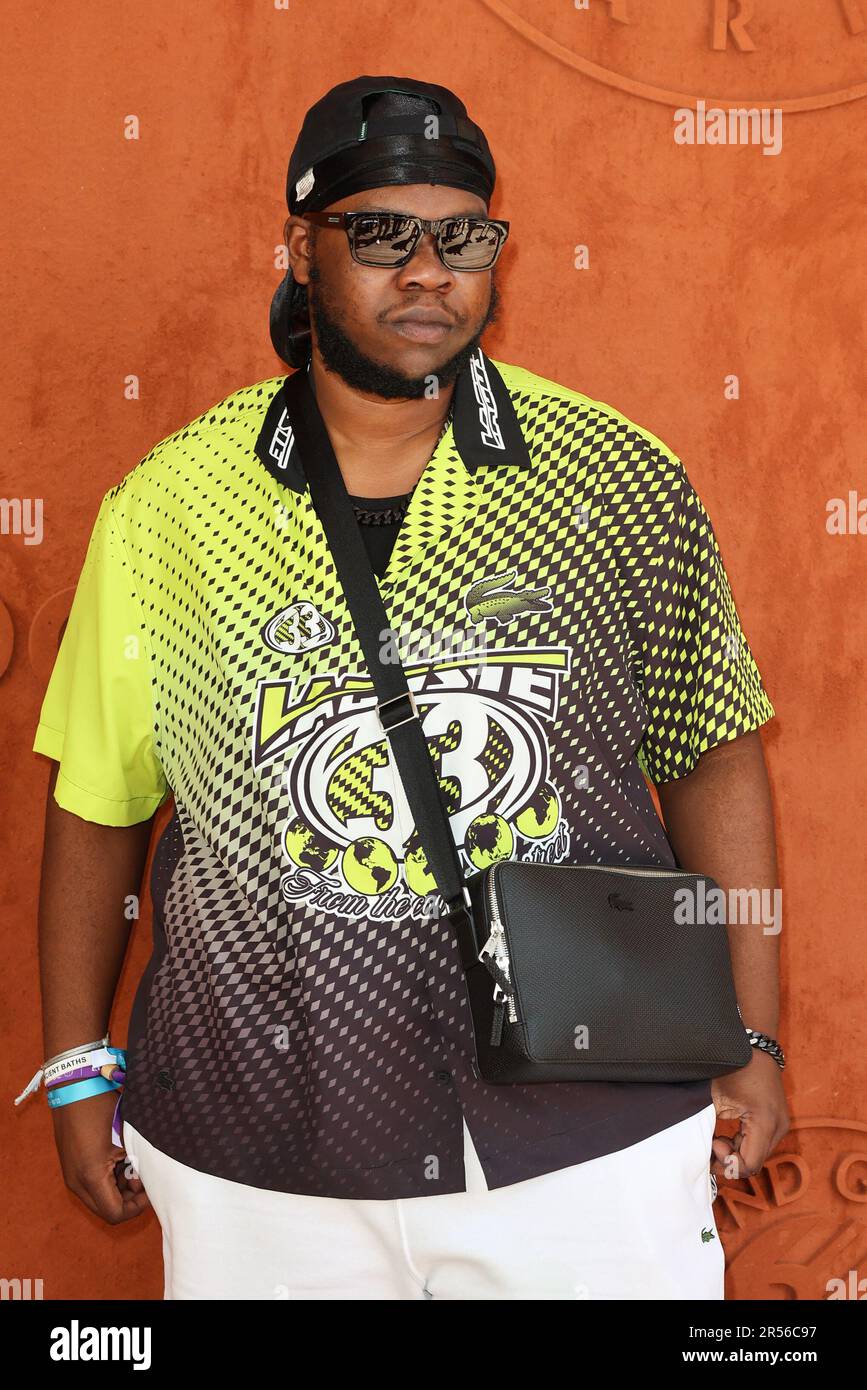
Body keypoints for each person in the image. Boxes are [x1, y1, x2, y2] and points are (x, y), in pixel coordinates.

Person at [30, 75, 788, 1300]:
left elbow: (713, 751)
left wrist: (751, 1033)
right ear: (299, 246)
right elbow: (100, 798)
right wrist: (75, 1063)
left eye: (465, 236)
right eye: (383, 232)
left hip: (579, 1136)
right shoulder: (170, 506)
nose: (428, 270)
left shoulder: (613, 475)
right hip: (261, 1150)